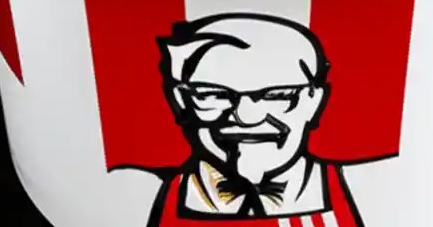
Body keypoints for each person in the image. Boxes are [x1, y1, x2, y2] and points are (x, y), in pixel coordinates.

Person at [150, 14, 363, 226]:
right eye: (214, 93)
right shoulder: (145, 194)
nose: (247, 117)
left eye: (278, 94)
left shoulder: (363, 189)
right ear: (181, 100)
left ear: (314, 101)